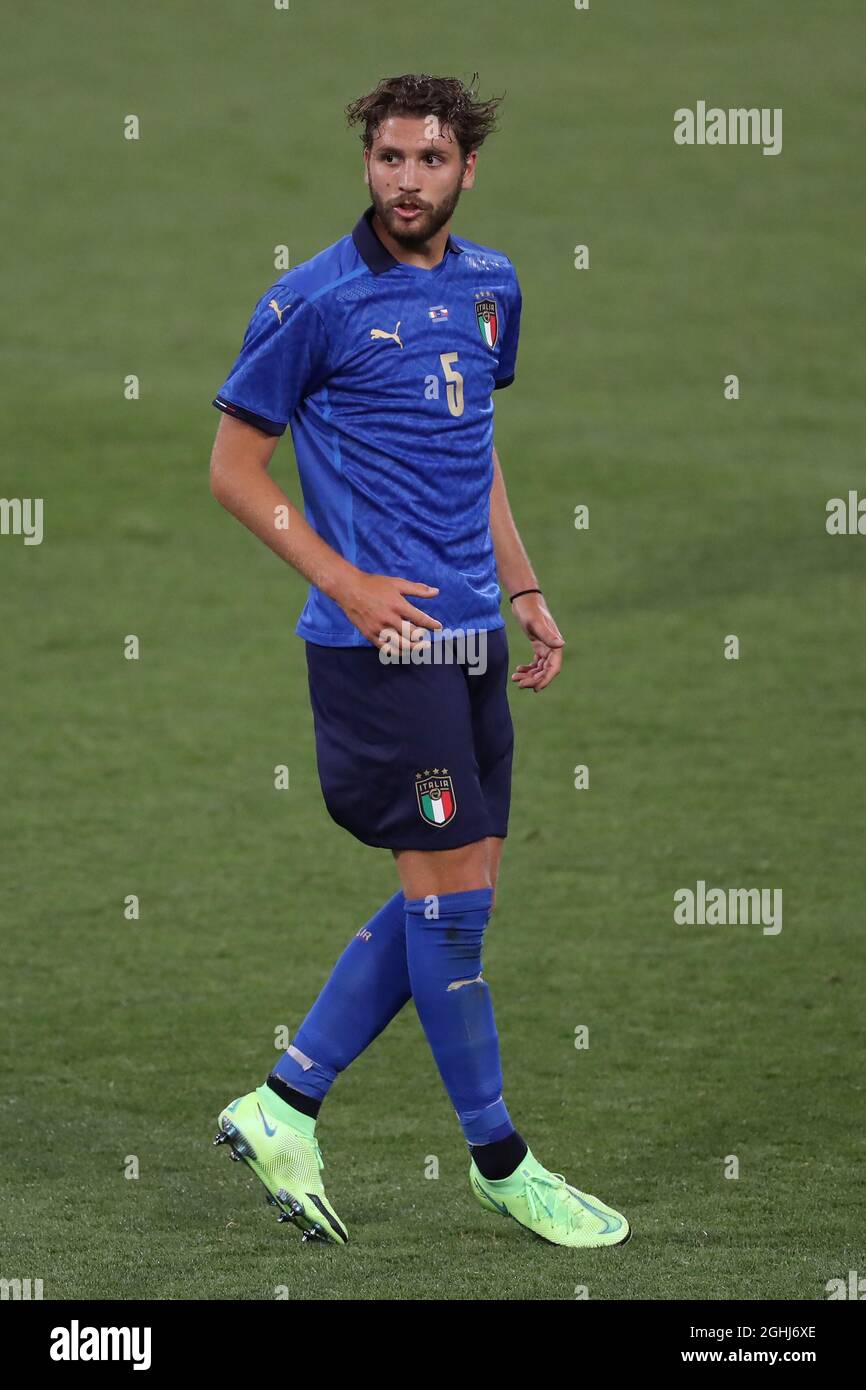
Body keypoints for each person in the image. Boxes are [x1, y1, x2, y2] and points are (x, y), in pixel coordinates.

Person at [209, 73, 629, 1250]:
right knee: (446, 913)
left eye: (428, 161)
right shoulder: (312, 301)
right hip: (376, 654)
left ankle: (282, 1101)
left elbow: (472, 450)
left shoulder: (491, 287)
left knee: (458, 901)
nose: (406, 180)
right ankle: (500, 1161)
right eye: (388, 159)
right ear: (365, 166)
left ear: (465, 171)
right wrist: (345, 584)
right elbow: (234, 472)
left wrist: (525, 584)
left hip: (469, 642)